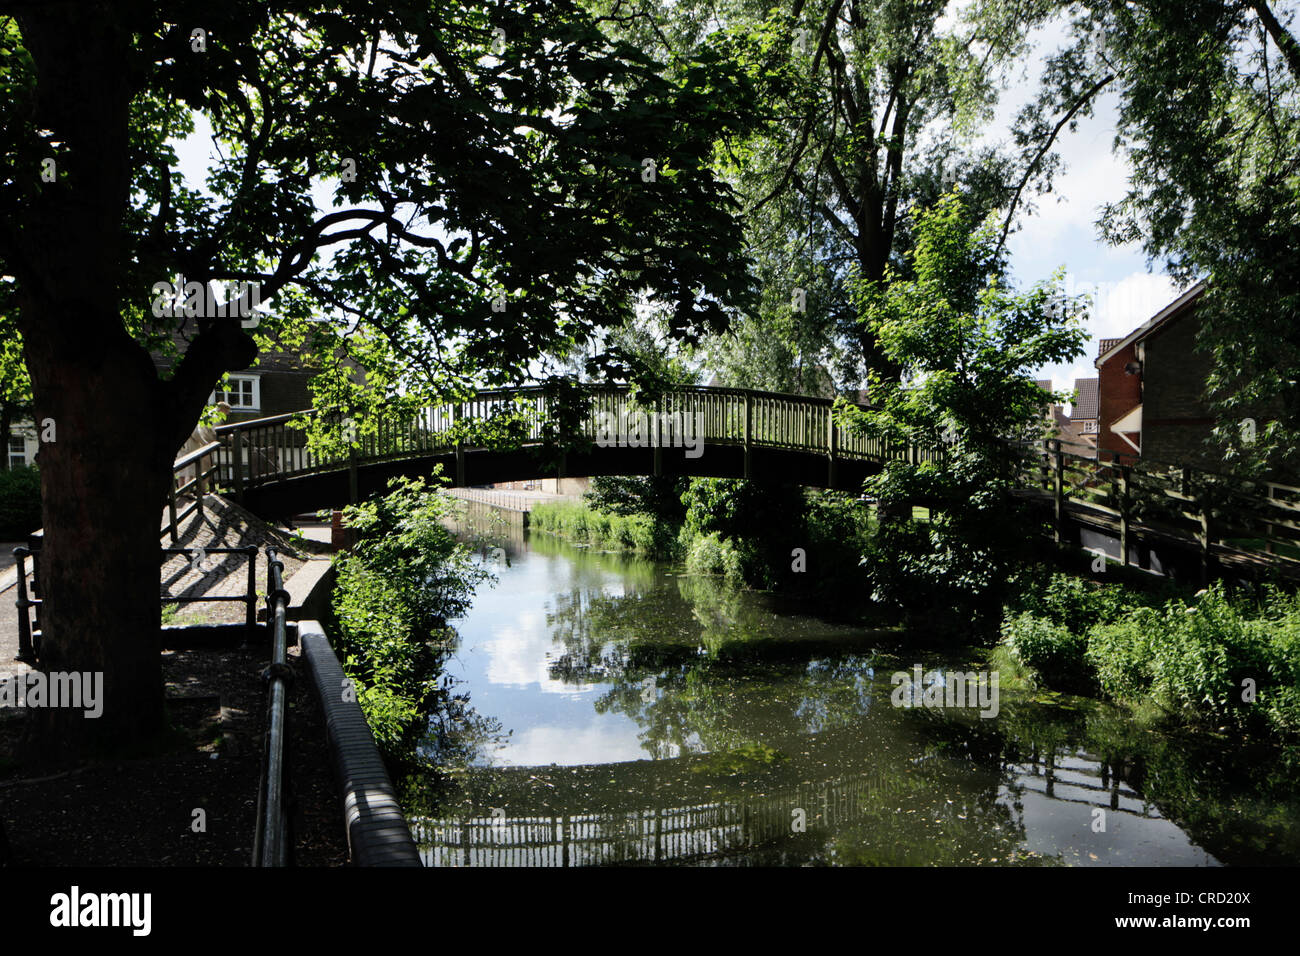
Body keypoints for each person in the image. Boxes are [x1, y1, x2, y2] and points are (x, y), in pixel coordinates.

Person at [176, 401, 231, 496]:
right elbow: (206, 432)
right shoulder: (215, 416)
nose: (228, 414)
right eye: (227, 411)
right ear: (223, 409)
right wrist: (205, 443)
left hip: (183, 446)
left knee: (183, 471)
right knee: (196, 470)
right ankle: (197, 491)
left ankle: (183, 492)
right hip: (197, 446)